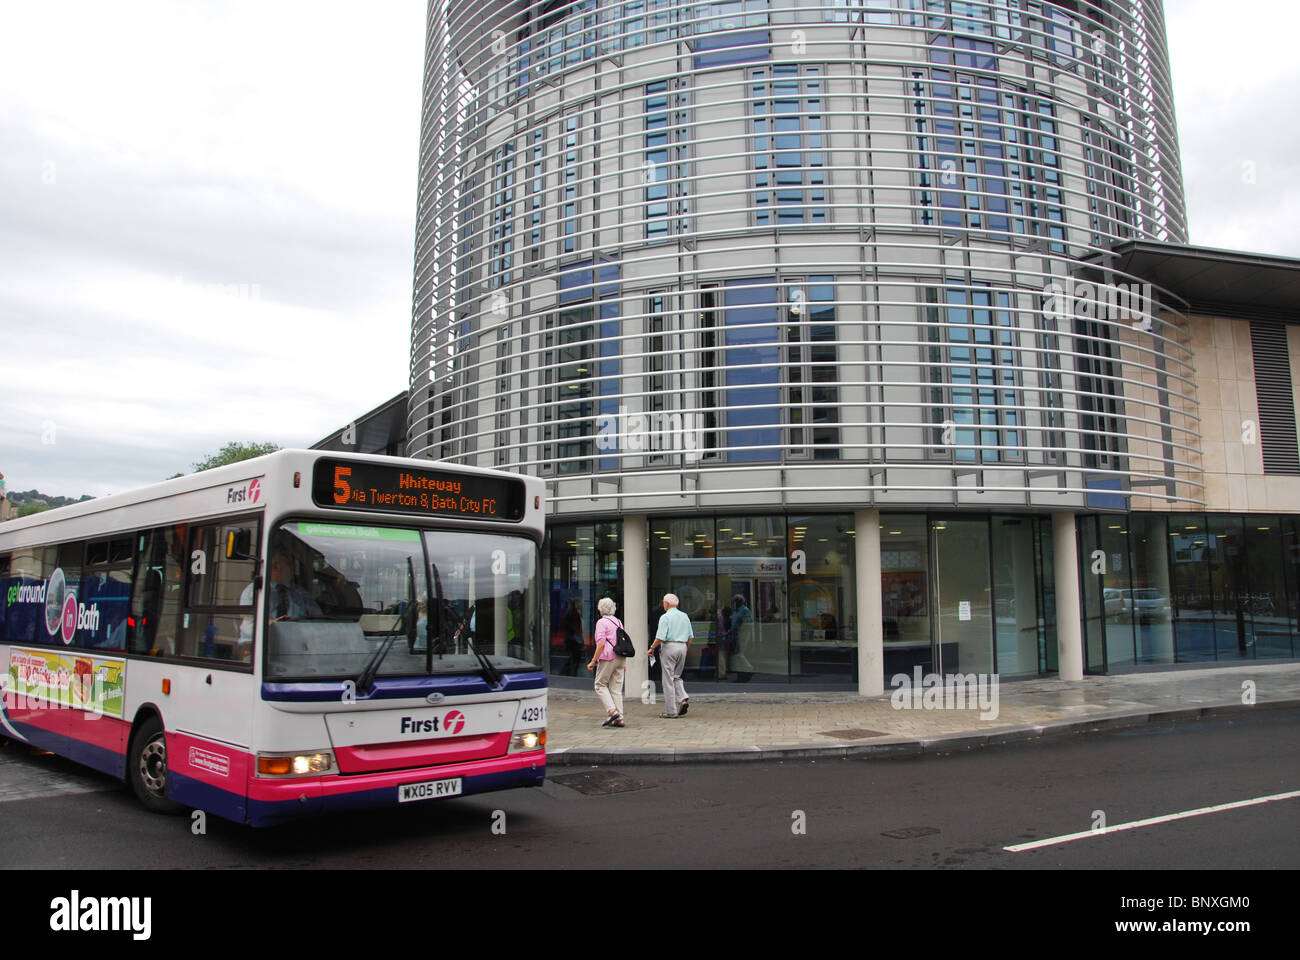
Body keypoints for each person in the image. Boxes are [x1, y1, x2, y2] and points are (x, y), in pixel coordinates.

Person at [649, 592, 692, 718]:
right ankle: (683, 698)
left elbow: (660, 637)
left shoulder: (665, 617)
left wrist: (652, 648)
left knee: (668, 679)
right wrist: (685, 648)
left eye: (663, 602)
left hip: (669, 647)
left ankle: (671, 711)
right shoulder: (685, 616)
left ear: (666, 604)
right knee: (676, 676)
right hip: (682, 646)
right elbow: (690, 636)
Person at [586, 597, 627, 727]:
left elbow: (601, 644)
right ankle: (619, 717)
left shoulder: (601, 623)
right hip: (621, 657)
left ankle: (612, 711)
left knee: (600, 685)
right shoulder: (618, 622)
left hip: (608, 657)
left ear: (600, 610)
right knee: (616, 689)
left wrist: (593, 661)